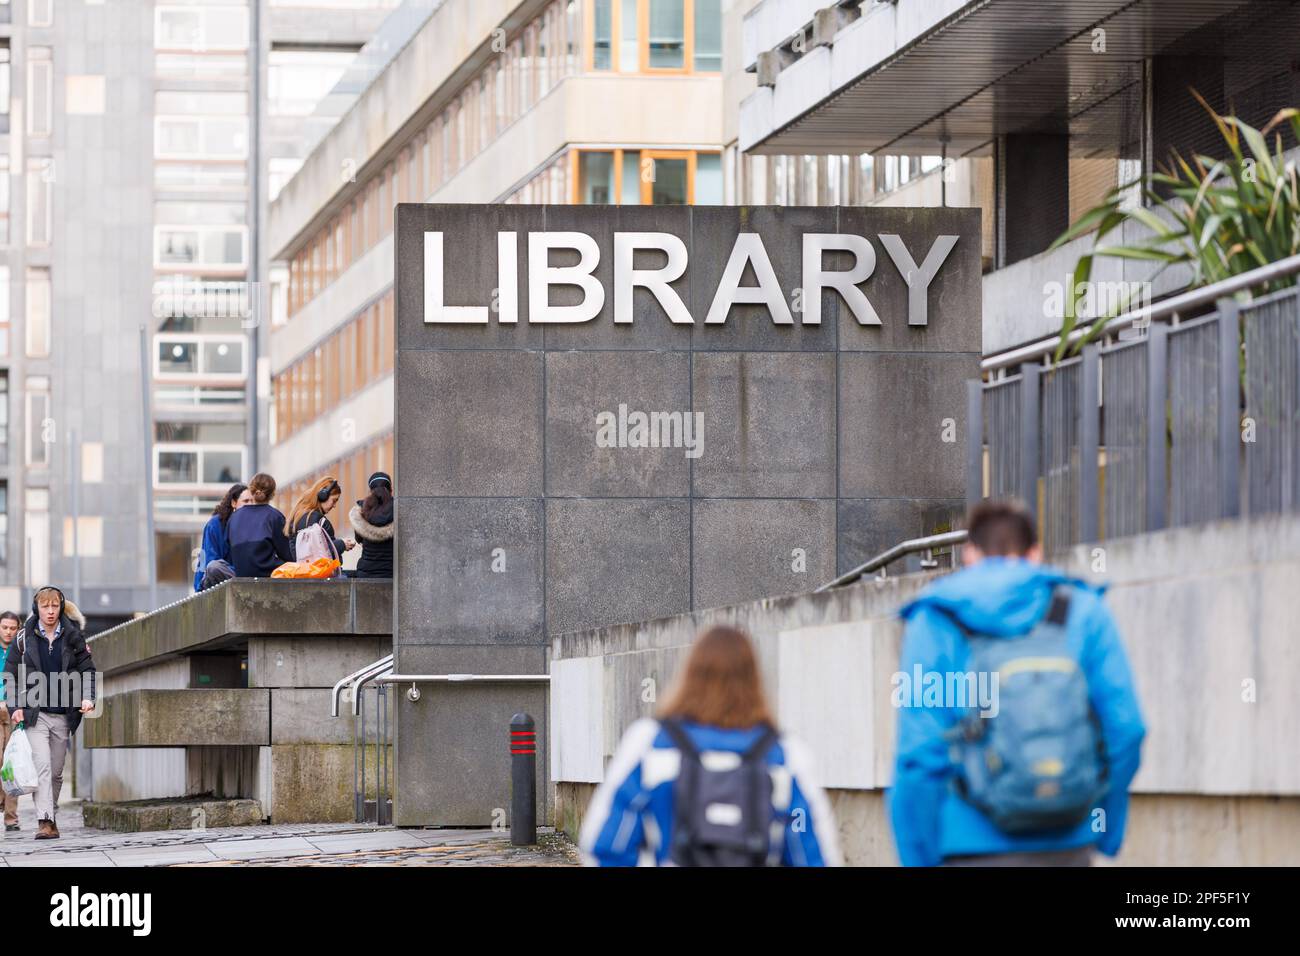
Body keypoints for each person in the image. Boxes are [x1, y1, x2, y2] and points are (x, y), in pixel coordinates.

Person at [890, 499, 1146, 867]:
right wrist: (1106, 830)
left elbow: (918, 755)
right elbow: (1127, 729)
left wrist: (918, 857)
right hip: (1067, 845)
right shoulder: (1083, 611)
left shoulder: (936, 619)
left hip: (968, 846)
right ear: (1036, 553)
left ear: (970, 554)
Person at [579, 625, 841, 867]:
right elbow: (813, 854)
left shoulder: (650, 744)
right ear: (754, 679)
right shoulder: (785, 755)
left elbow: (604, 846)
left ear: (689, 674)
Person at [4, 588, 96, 840]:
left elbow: (88, 670)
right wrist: (15, 708)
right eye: (45, 606)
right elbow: (9, 675)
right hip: (35, 715)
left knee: (56, 772)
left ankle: (50, 813)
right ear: (37, 609)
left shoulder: (73, 637)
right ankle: (45, 821)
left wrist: (88, 697)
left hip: (63, 715)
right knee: (42, 767)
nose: (51, 611)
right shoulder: (23, 638)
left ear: (61, 607)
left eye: (55, 606)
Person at [226, 473, 294, 578]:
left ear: (251, 491)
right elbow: (287, 554)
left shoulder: (233, 518)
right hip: (268, 574)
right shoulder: (274, 516)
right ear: (273, 493)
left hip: (240, 574)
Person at [194, 482, 250, 592]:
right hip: (213, 579)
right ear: (234, 503)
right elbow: (211, 562)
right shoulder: (215, 525)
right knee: (214, 567)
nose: (250, 505)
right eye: (246, 501)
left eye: (253, 501)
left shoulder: (251, 524)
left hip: (241, 578)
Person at [284, 476, 354, 562]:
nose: (334, 506)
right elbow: (316, 554)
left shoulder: (300, 515)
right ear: (323, 496)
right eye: (334, 500)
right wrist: (342, 544)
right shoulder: (314, 519)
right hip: (320, 574)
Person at [348, 472, 394, 579]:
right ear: (390, 489)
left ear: (370, 490)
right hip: (391, 573)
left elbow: (359, 539)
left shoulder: (362, 510)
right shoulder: (397, 509)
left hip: (365, 572)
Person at [0, 611, 21, 832]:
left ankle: (11, 818)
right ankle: (1, 799)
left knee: (12, 765)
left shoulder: (22, 650)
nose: (8, 632)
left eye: (12, 628)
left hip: (15, 711)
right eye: (4, 627)